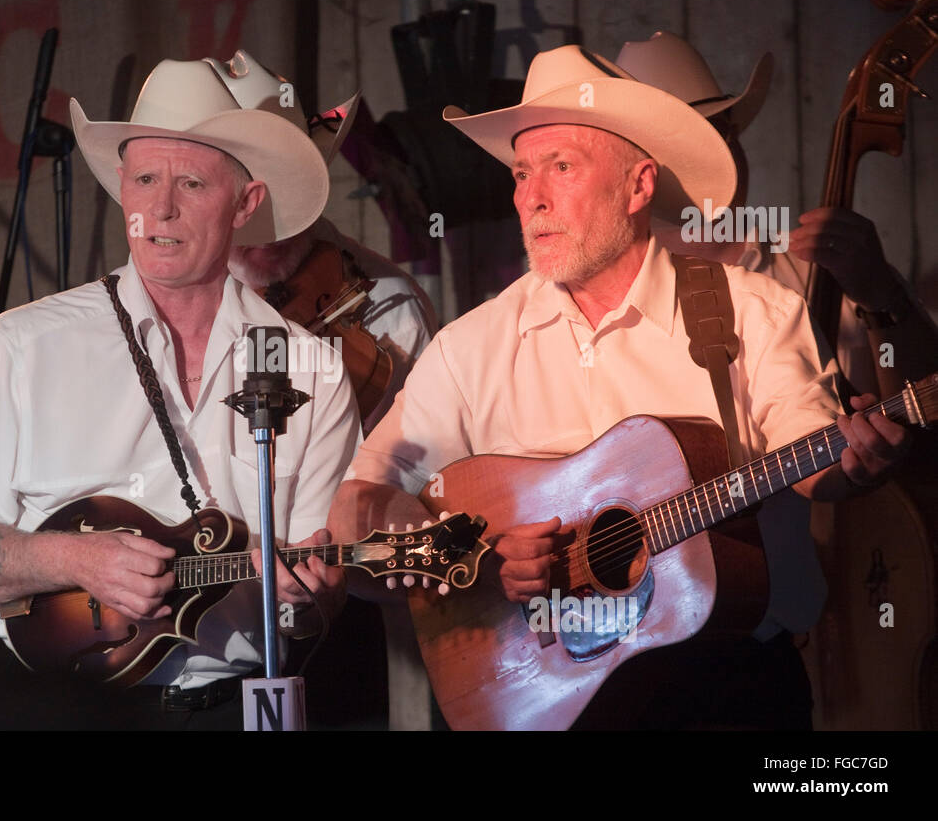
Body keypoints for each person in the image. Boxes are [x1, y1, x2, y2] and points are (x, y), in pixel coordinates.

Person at [327, 46, 913, 729]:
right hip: (548, 698)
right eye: (521, 172)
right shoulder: (471, 348)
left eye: (562, 167)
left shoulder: (750, 308)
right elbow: (355, 522)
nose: (530, 196)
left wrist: (858, 458)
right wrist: (479, 560)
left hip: (731, 692)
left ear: (638, 186)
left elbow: (812, 455)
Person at [0, 59, 361, 728]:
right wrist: (70, 557)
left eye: (192, 182)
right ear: (121, 187)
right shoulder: (18, 347)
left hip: (231, 708)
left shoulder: (310, 368)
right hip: (55, 710)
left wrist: (305, 592)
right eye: (145, 179)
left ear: (246, 202)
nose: (162, 207)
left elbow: (309, 602)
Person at [617, 31, 938, 398]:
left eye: (725, 132)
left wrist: (883, 299)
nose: (723, 155)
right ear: (642, 174)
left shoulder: (826, 265)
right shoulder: (607, 295)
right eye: (689, 146)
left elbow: (926, 408)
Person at [208, 50, 438, 434]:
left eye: (289, 196)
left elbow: (406, 469)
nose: (273, 230)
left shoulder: (392, 309)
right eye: (247, 204)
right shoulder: (169, 295)